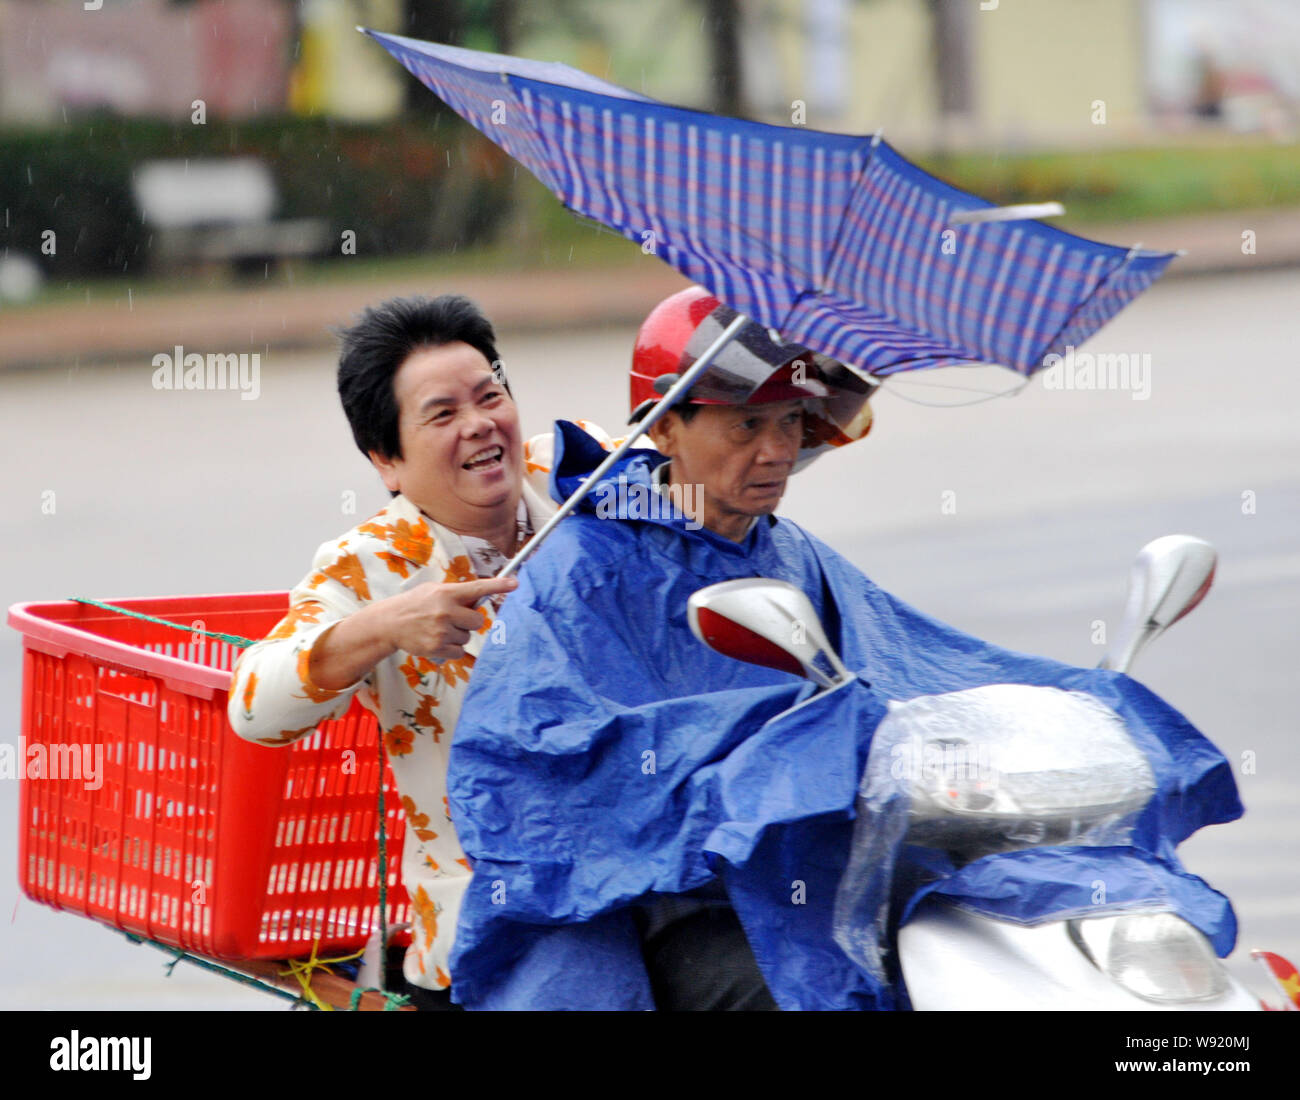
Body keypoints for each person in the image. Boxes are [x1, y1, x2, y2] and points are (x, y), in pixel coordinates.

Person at [443, 286, 1238, 1011]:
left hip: (827, 881)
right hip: (677, 912)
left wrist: (1078, 701)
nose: (777, 451)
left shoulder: (789, 552)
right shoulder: (580, 570)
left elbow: (918, 670)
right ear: (666, 424)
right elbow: (538, 771)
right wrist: (754, 769)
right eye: (746, 425)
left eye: (791, 422)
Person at [226, 293, 626, 1009]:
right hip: (489, 914)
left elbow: (708, 474)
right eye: (442, 414)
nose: (480, 425)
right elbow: (255, 705)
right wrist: (382, 627)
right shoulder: (367, 564)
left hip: (635, 855)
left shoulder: (578, 472)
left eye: (491, 395)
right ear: (387, 462)